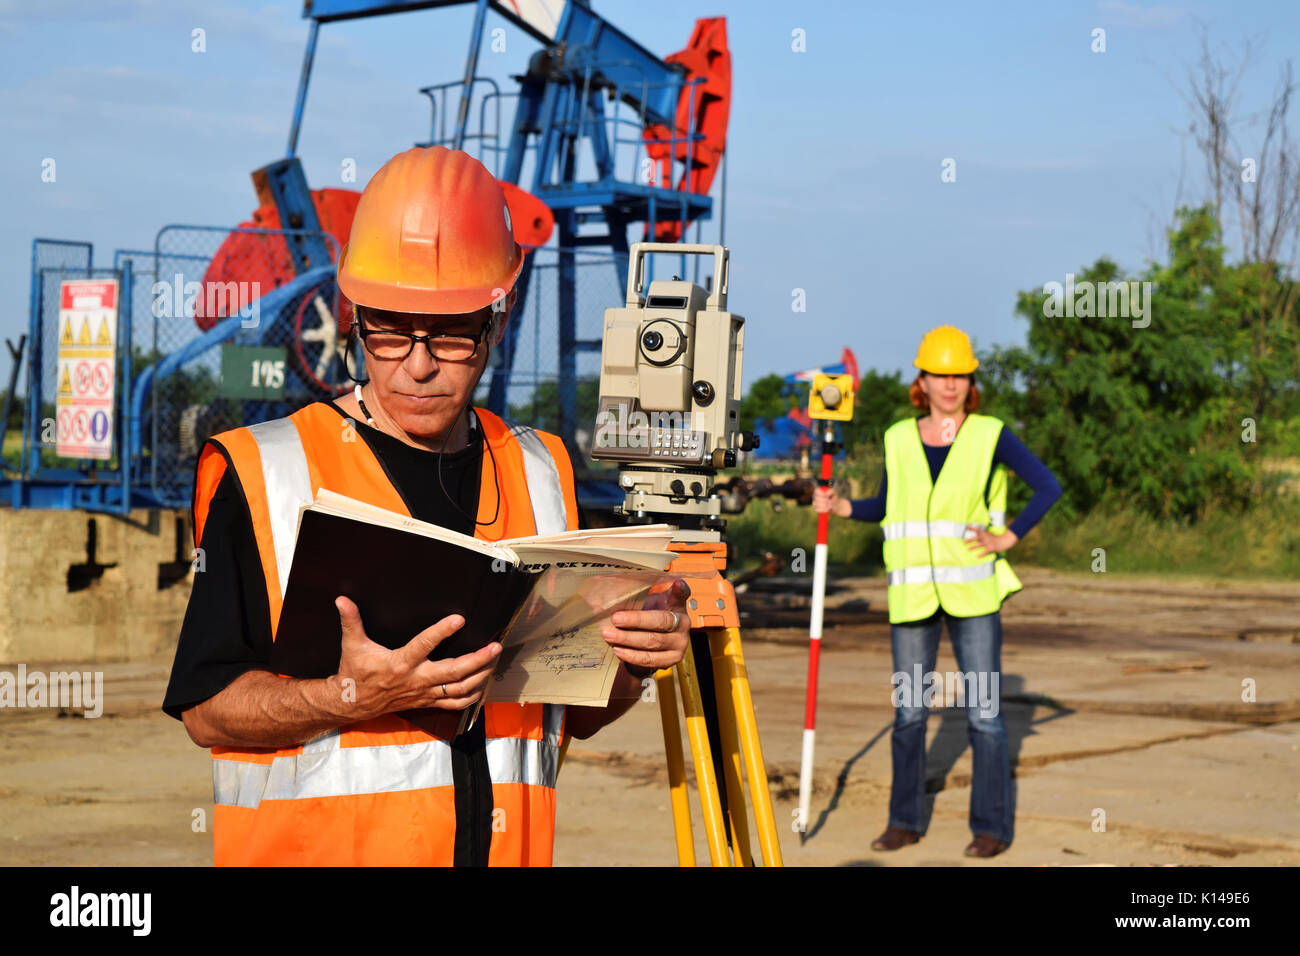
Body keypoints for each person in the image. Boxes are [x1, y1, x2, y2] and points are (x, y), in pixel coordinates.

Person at [162, 146, 691, 866]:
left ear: (497, 324)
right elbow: (205, 708)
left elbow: (562, 720)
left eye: (449, 332)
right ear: (353, 318)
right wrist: (348, 696)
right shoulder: (267, 474)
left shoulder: (541, 472)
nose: (415, 363)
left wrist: (631, 665)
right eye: (388, 328)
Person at [813, 325, 1061, 859]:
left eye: (959, 375)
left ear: (969, 381)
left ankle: (991, 827)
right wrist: (843, 508)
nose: (949, 384)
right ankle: (904, 821)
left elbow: (1048, 486)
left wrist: (1007, 537)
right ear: (920, 380)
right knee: (908, 713)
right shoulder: (898, 437)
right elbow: (888, 505)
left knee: (985, 715)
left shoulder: (990, 433)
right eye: (939, 374)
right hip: (912, 599)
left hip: (974, 596)